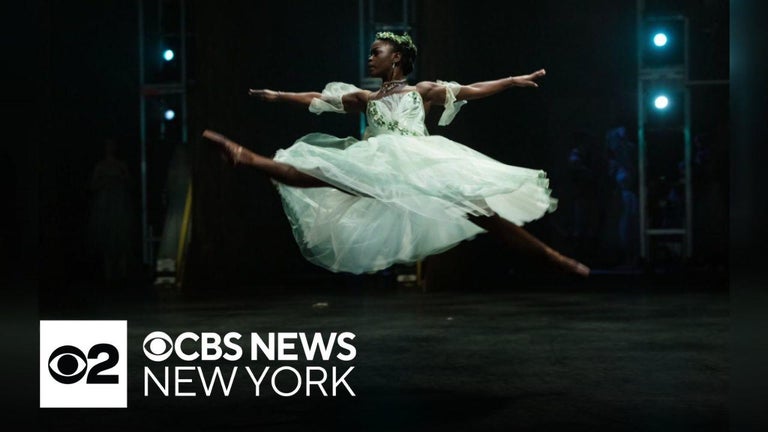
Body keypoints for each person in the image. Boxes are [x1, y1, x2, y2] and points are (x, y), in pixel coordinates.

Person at [203, 32, 589, 277]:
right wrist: (277, 96)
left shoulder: (420, 91)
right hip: (377, 161)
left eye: (377, 53)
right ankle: (246, 157)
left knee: (483, 214)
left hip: (421, 160)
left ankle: (554, 258)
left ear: (397, 59)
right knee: (317, 171)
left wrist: (511, 81)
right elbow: (317, 98)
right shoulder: (364, 98)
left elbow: (469, 90)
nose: (371, 59)